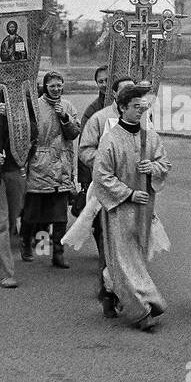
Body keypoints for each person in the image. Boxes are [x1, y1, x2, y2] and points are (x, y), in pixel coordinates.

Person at [92, 83, 171, 331]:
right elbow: (101, 176)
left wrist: (153, 168)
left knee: (135, 258)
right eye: (135, 106)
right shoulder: (110, 140)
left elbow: (164, 163)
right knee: (126, 260)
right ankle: (142, 309)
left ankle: (110, 288)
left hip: (144, 209)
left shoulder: (151, 137)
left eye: (143, 107)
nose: (140, 111)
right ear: (122, 108)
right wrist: (128, 194)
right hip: (120, 209)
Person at [75, 73, 135, 305]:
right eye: (125, 90)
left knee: (131, 244)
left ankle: (130, 291)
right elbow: (85, 150)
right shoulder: (99, 118)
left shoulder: (141, 117)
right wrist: (106, 163)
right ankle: (108, 293)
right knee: (107, 244)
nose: (130, 94)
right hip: (106, 190)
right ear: (115, 94)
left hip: (134, 191)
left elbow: (152, 148)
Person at [21, 71, 81, 268]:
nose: (56, 89)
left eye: (59, 85)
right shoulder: (35, 106)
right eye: (52, 85)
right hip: (40, 164)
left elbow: (74, 133)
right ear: (45, 87)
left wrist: (64, 117)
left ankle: (57, 253)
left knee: (59, 215)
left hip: (62, 165)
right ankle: (28, 243)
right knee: (34, 212)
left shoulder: (68, 106)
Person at [0, 91, 27, 288]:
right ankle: (7, 273)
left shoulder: (23, 105)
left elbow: (33, 132)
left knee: (10, 220)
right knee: (1, 223)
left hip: (15, 170)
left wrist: (10, 118)